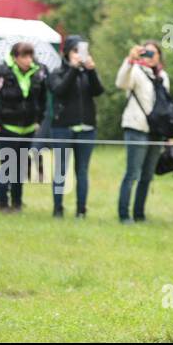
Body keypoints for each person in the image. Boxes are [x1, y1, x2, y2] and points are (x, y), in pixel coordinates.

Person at [0, 41, 48, 212]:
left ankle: (17, 202)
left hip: (27, 129)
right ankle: (2, 202)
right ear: (15, 57)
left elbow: (43, 99)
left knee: (21, 165)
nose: (28, 60)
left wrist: (38, 120)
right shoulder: (1, 73)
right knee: (8, 165)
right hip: (5, 127)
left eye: (30, 55)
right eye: (24, 56)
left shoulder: (39, 73)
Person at [47, 35, 104, 218]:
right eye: (75, 51)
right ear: (67, 53)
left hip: (87, 129)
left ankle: (81, 210)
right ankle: (58, 208)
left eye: (81, 51)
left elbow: (98, 91)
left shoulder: (87, 73)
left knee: (82, 171)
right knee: (60, 169)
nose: (78, 55)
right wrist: (73, 69)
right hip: (62, 128)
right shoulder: (57, 72)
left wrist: (91, 71)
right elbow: (60, 90)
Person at [115, 41, 169, 223]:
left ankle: (139, 214)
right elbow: (120, 82)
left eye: (154, 53)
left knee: (147, 176)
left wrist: (167, 134)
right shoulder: (136, 72)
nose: (150, 57)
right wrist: (130, 61)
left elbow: (166, 106)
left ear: (159, 56)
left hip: (156, 131)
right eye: (147, 52)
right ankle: (124, 214)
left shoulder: (163, 76)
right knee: (132, 173)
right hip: (136, 128)